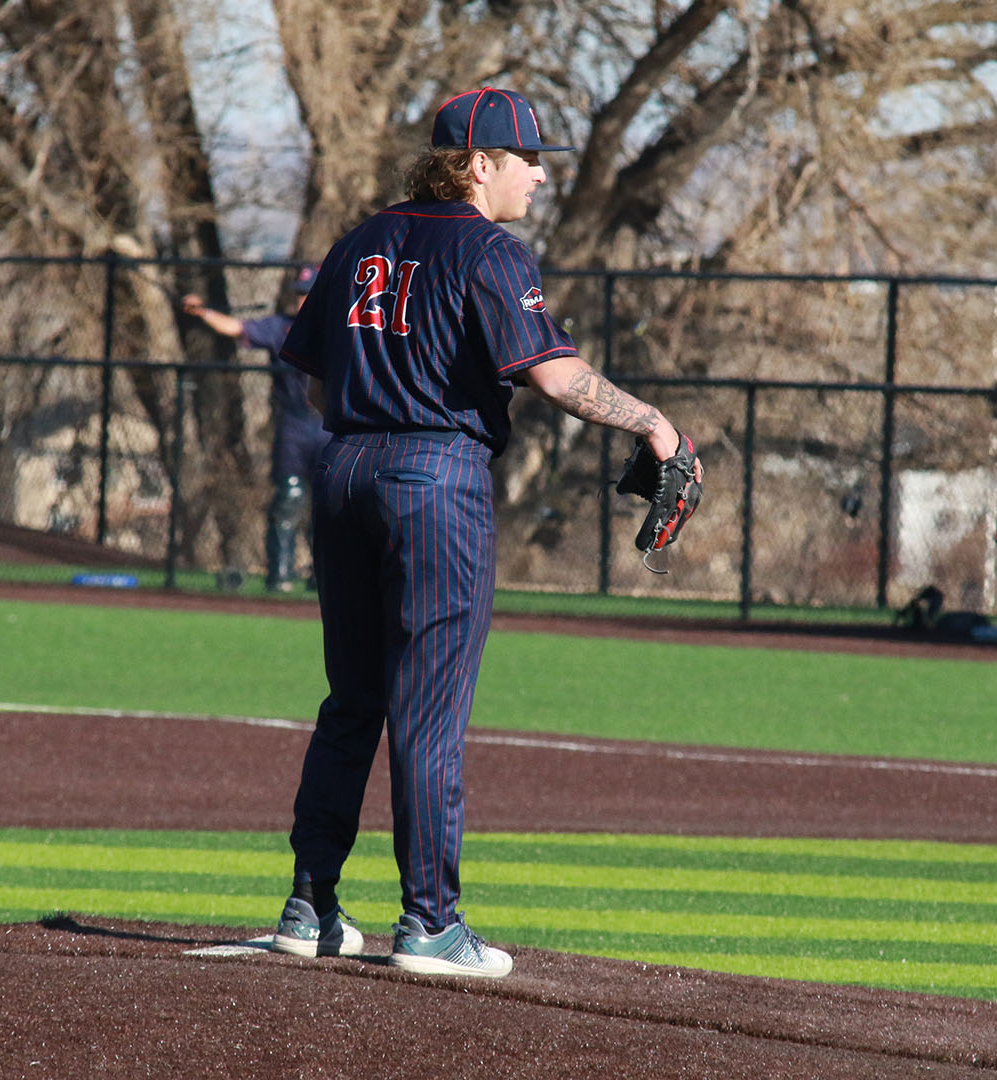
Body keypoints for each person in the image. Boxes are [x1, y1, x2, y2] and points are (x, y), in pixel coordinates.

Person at [266, 87, 688, 978]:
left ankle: (310, 908)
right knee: (427, 709)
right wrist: (653, 422)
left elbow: (309, 381)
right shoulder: (490, 248)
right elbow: (549, 372)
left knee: (352, 701)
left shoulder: (359, 240)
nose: (539, 173)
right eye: (527, 158)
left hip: (342, 470)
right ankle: (430, 924)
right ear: (477, 163)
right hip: (431, 478)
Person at [180, 265, 330, 592]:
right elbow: (235, 328)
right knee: (288, 499)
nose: (304, 300)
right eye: (301, 293)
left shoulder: (340, 327)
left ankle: (324, 577)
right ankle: (280, 576)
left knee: (328, 504)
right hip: (293, 423)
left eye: (310, 293)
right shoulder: (282, 329)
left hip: (329, 425)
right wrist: (203, 312)